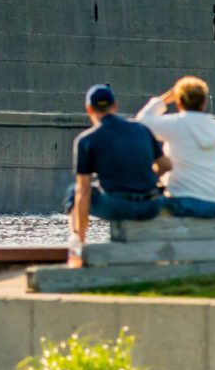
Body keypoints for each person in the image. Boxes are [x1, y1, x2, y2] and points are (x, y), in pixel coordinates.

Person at [67, 83, 166, 264]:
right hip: (151, 206)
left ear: (89, 109)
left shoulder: (86, 140)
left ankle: (76, 247)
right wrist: (147, 175)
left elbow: (84, 189)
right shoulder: (142, 129)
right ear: (115, 106)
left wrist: (80, 236)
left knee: (73, 192)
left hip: (118, 206)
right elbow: (166, 165)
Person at [136, 78, 215, 218]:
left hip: (184, 200)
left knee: (137, 204)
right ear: (204, 102)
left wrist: (165, 99)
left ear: (178, 101)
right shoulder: (214, 126)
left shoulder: (176, 123)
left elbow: (142, 123)